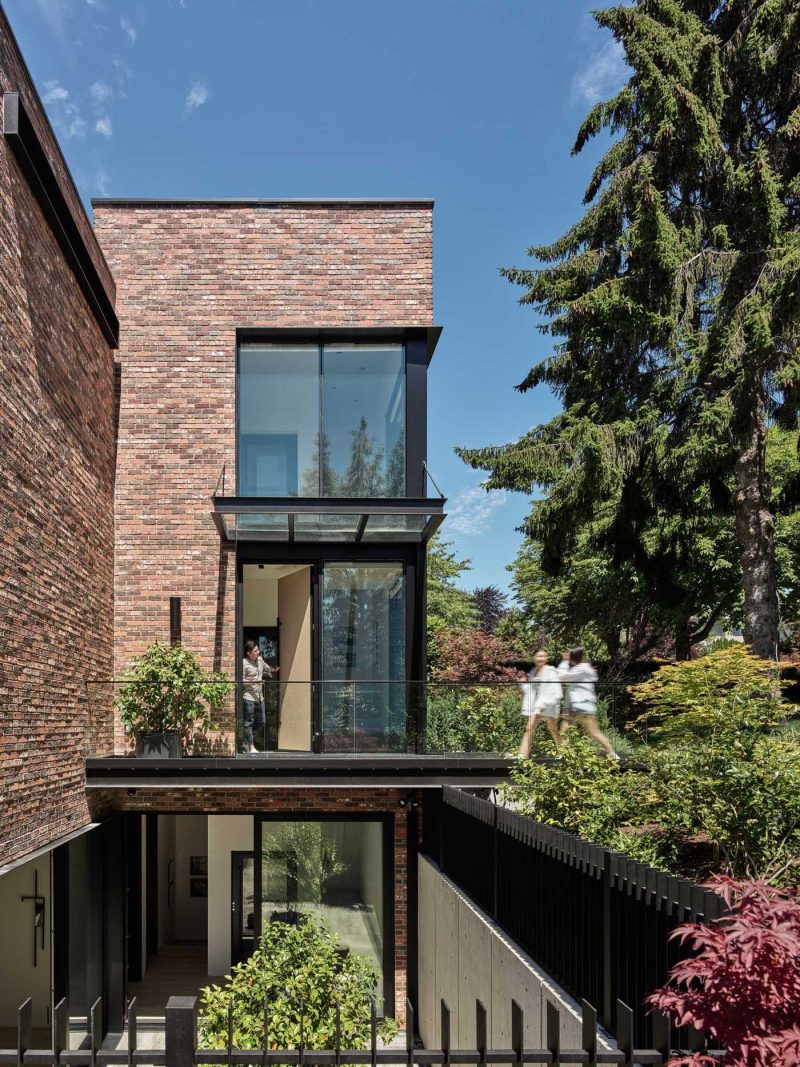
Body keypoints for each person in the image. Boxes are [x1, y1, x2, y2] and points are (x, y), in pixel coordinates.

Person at [557, 647, 620, 760]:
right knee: (593, 732)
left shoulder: (580, 669)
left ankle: (563, 754)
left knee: (565, 729)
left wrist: (564, 661)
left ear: (573, 659)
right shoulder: (587, 669)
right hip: (586, 706)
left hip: (578, 706)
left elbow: (561, 676)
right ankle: (612, 754)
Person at [519, 648, 563, 757]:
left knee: (552, 729)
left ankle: (564, 753)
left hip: (549, 705)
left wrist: (546, 703)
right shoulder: (533, 671)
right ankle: (522, 756)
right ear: (534, 658)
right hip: (537, 706)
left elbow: (557, 691)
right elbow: (530, 691)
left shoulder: (551, 671)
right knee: (530, 729)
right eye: (539, 656)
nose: (541, 659)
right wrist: (522, 684)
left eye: (544, 656)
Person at [242, 640, 276, 754]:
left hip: (260, 697)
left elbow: (267, 667)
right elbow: (241, 681)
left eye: (258, 650)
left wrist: (273, 669)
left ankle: (245, 738)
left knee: (262, 722)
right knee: (249, 722)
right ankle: (251, 747)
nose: (258, 652)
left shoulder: (260, 660)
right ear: (249, 653)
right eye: (256, 650)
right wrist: (255, 681)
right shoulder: (243, 663)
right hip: (249, 697)